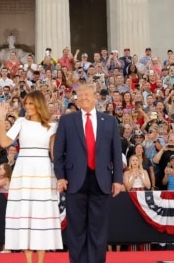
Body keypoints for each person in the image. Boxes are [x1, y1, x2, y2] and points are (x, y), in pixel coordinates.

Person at [53, 83, 124, 263]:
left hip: (102, 180)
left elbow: (116, 153)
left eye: (87, 94)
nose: (83, 97)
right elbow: (58, 152)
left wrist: (117, 180)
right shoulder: (67, 121)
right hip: (74, 181)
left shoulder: (109, 121)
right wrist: (60, 177)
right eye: (79, 95)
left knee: (98, 229)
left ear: (95, 98)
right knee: (76, 229)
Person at [0, 91, 62, 263]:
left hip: (43, 170)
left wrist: (62, 174)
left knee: (41, 214)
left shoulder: (52, 125)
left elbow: (55, 154)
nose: (27, 107)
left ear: (39, 104)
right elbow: (4, 143)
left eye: (31, 104)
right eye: (26, 104)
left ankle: (40, 261)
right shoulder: (21, 122)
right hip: (23, 169)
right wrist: (1, 120)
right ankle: (28, 260)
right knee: (24, 212)